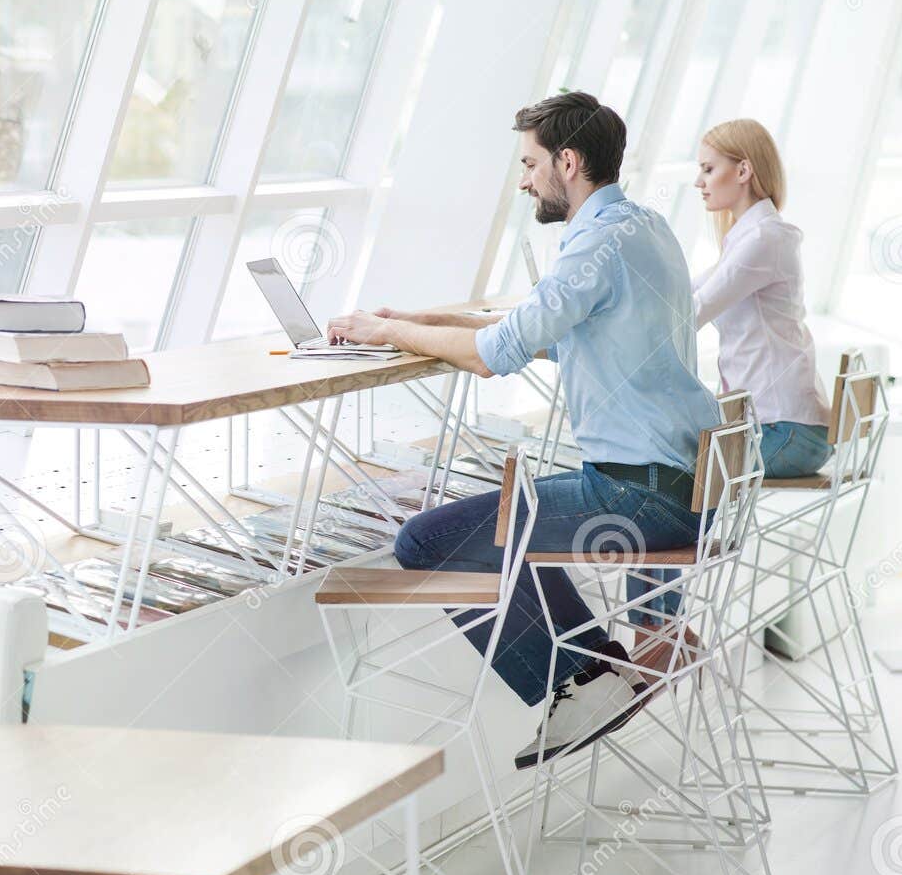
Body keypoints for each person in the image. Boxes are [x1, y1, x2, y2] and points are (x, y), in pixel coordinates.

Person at [327, 91, 719, 769]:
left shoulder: (594, 244)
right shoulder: (645, 227)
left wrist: (388, 330)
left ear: (568, 161)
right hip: (684, 486)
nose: (523, 179)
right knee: (507, 518)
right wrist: (422, 320)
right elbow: (536, 336)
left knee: (430, 537)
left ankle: (588, 678)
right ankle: (597, 672)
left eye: (530, 162)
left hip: (636, 498)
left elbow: (493, 357)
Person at [692, 118, 831, 478]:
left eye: (708, 169)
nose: (698, 182)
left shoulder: (763, 240)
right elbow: (688, 292)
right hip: (786, 429)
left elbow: (693, 311)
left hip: (786, 433)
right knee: (683, 466)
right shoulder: (750, 238)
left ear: (743, 170)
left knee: (681, 474)